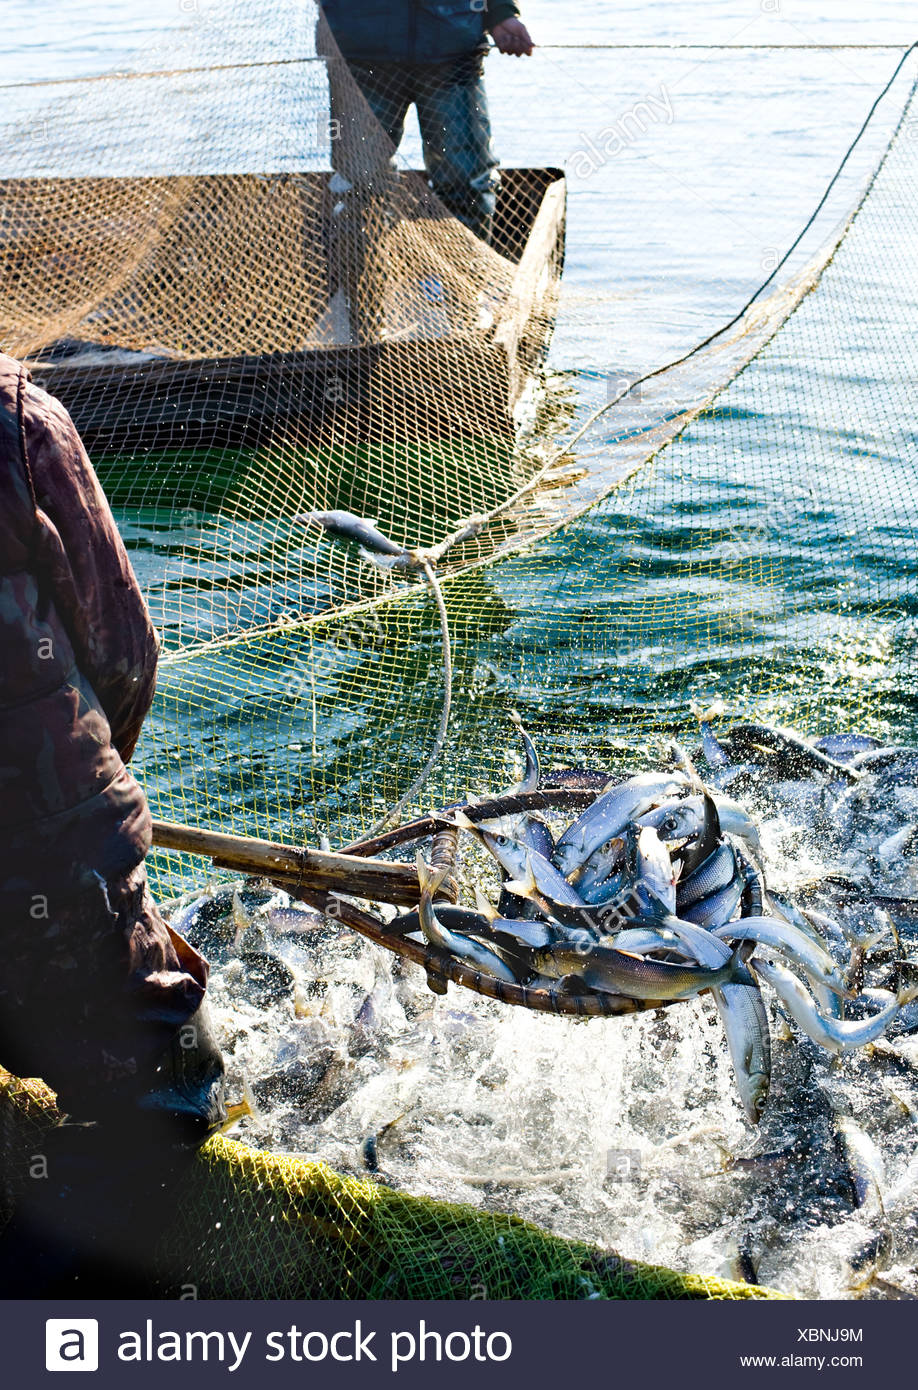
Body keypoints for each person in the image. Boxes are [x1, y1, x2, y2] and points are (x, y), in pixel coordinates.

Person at [0, 352, 227, 1296]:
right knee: (160, 1099)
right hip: (48, 873)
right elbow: (125, 652)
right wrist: (90, 797)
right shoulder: (17, 417)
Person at [319, 1, 535, 244]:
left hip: (453, 54)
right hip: (359, 53)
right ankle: (362, 278)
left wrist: (501, 13)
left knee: (465, 185)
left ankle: (463, 275)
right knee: (358, 183)